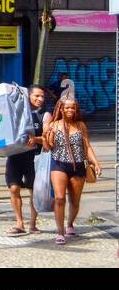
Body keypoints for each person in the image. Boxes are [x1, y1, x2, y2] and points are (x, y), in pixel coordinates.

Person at [43, 96, 102, 245]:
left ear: (76, 109)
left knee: (74, 201)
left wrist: (96, 163)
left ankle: (70, 224)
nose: (70, 110)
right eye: (67, 107)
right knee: (59, 198)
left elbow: (87, 146)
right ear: (61, 109)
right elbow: (47, 147)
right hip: (59, 165)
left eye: (73, 107)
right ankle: (60, 232)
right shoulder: (53, 125)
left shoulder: (81, 125)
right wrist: (45, 138)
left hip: (78, 167)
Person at [5, 85, 49, 235]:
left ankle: (33, 224)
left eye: (42, 96)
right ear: (28, 96)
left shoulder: (44, 115)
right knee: (14, 188)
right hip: (15, 155)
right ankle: (19, 223)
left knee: (33, 192)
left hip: (34, 158)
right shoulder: (16, 111)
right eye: (37, 96)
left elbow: (48, 140)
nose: (40, 99)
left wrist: (35, 139)